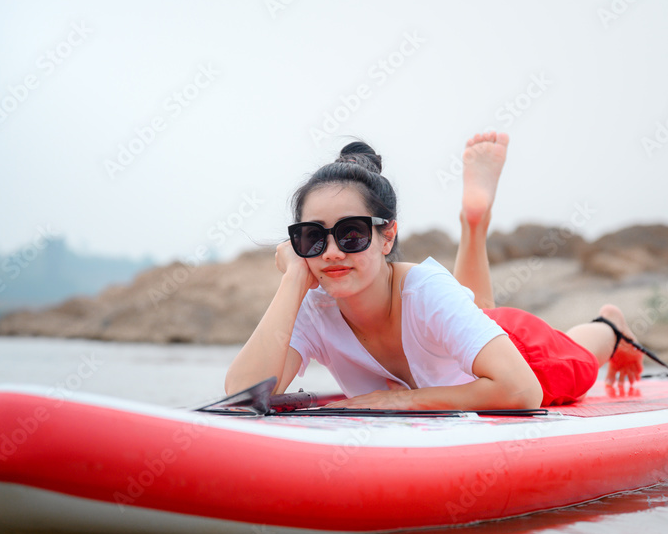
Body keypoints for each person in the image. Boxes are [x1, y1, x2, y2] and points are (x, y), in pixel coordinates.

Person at [225, 132, 643, 410]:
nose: (331, 251)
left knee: (577, 360)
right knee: (471, 307)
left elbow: (522, 391)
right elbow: (242, 396)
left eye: (351, 234)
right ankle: (474, 223)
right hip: (454, 333)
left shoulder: (423, 289)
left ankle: (611, 326)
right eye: (312, 237)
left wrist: (399, 401)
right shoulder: (314, 305)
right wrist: (294, 278)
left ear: (387, 237)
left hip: (518, 351)